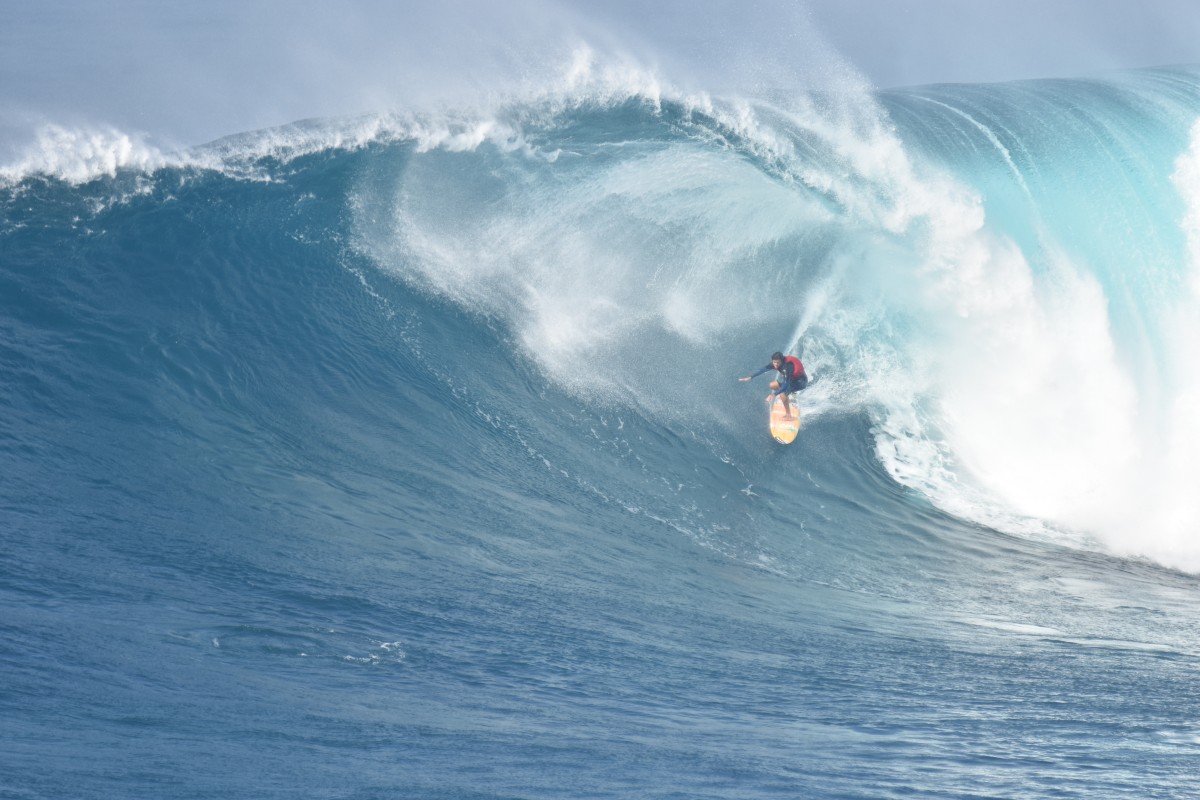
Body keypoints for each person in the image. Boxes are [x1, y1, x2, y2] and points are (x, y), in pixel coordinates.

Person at [740, 351, 808, 420]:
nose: (775, 364)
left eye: (778, 362)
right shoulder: (775, 363)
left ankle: (789, 416)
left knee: (782, 394)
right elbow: (763, 369)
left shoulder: (788, 367)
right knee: (773, 385)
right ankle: (788, 397)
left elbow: (786, 384)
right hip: (792, 381)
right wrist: (751, 377)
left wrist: (774, 394)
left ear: (781, 361)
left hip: (801, 382)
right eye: (774, 362)